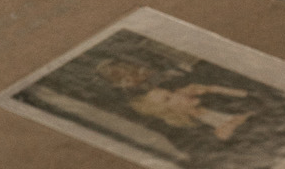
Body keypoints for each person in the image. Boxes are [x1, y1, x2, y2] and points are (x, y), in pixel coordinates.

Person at [97, 58, 253, 143]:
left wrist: (213, 89)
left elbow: (257, 98)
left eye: (128, 70)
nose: (130, 77)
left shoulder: (210, 99)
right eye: (121, 78)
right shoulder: (192, 134)